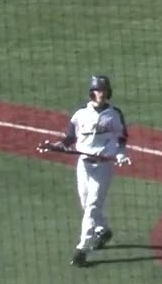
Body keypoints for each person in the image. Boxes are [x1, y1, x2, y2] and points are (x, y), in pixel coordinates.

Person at [39, 74, 132, 267]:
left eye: (104, 90)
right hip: (84, 165)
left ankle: (82, 248)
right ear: (92, 92)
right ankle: (103, 231)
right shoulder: (80, 114)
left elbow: (122, 137)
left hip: (103, 166)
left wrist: (121, 153)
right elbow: (69, 139)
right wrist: (53, 146)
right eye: (98, 90)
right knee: (85, 204)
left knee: (92, 207)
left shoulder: (114, 114)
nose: (101, 93)